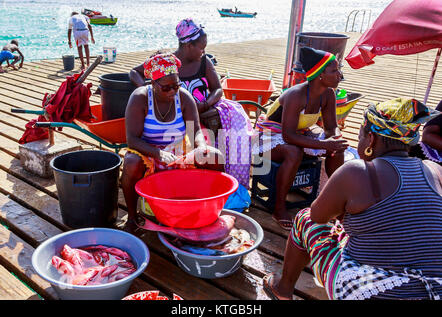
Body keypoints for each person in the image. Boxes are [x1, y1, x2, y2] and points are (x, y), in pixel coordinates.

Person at [262, 97, 442, 300]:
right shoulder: (435, 170)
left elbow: (318, 215)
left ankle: (283, 290)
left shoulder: (357, 172)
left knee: (305, 219)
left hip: (372, 292)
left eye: (360, 135)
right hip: (434, 290)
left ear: (371, 140)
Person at [129, 18, 254, 196]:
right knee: (134, 161)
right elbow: (135, 72)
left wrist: (204, 106)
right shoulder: (164, 66)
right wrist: (148, 92)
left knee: (227, 137)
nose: (204, 52)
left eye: (176, 86)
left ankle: (213, 192)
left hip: (201, 111)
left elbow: (217, 90)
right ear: (188, 46)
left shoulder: (196, 76)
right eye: (201, 48)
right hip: (162, 138)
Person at [121, 53, 223, 234]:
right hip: (147, 151)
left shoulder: (183, 97)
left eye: (176, 85)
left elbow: (196, 130)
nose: (172, 91)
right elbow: (132, 139)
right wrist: (158, 154)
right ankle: (131, 216)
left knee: (214, 156)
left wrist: (200, 146)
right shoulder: (140, 98)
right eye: (166, 88)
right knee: (130, 164)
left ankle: (210, 209)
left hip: (178, 150)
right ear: (153, 84)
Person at [252, 46, 348, 230]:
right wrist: (322, 143)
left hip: (297, 134)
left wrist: (335, 138)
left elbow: (331, 126)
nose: (339, 75)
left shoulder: (328, 94)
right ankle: (279, 208)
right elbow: (288, 136)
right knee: (293, 152)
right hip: (270, 135)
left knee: (338, 149)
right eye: (334, 70)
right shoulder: (296, 95)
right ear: (320, 75)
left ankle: (335, 204)